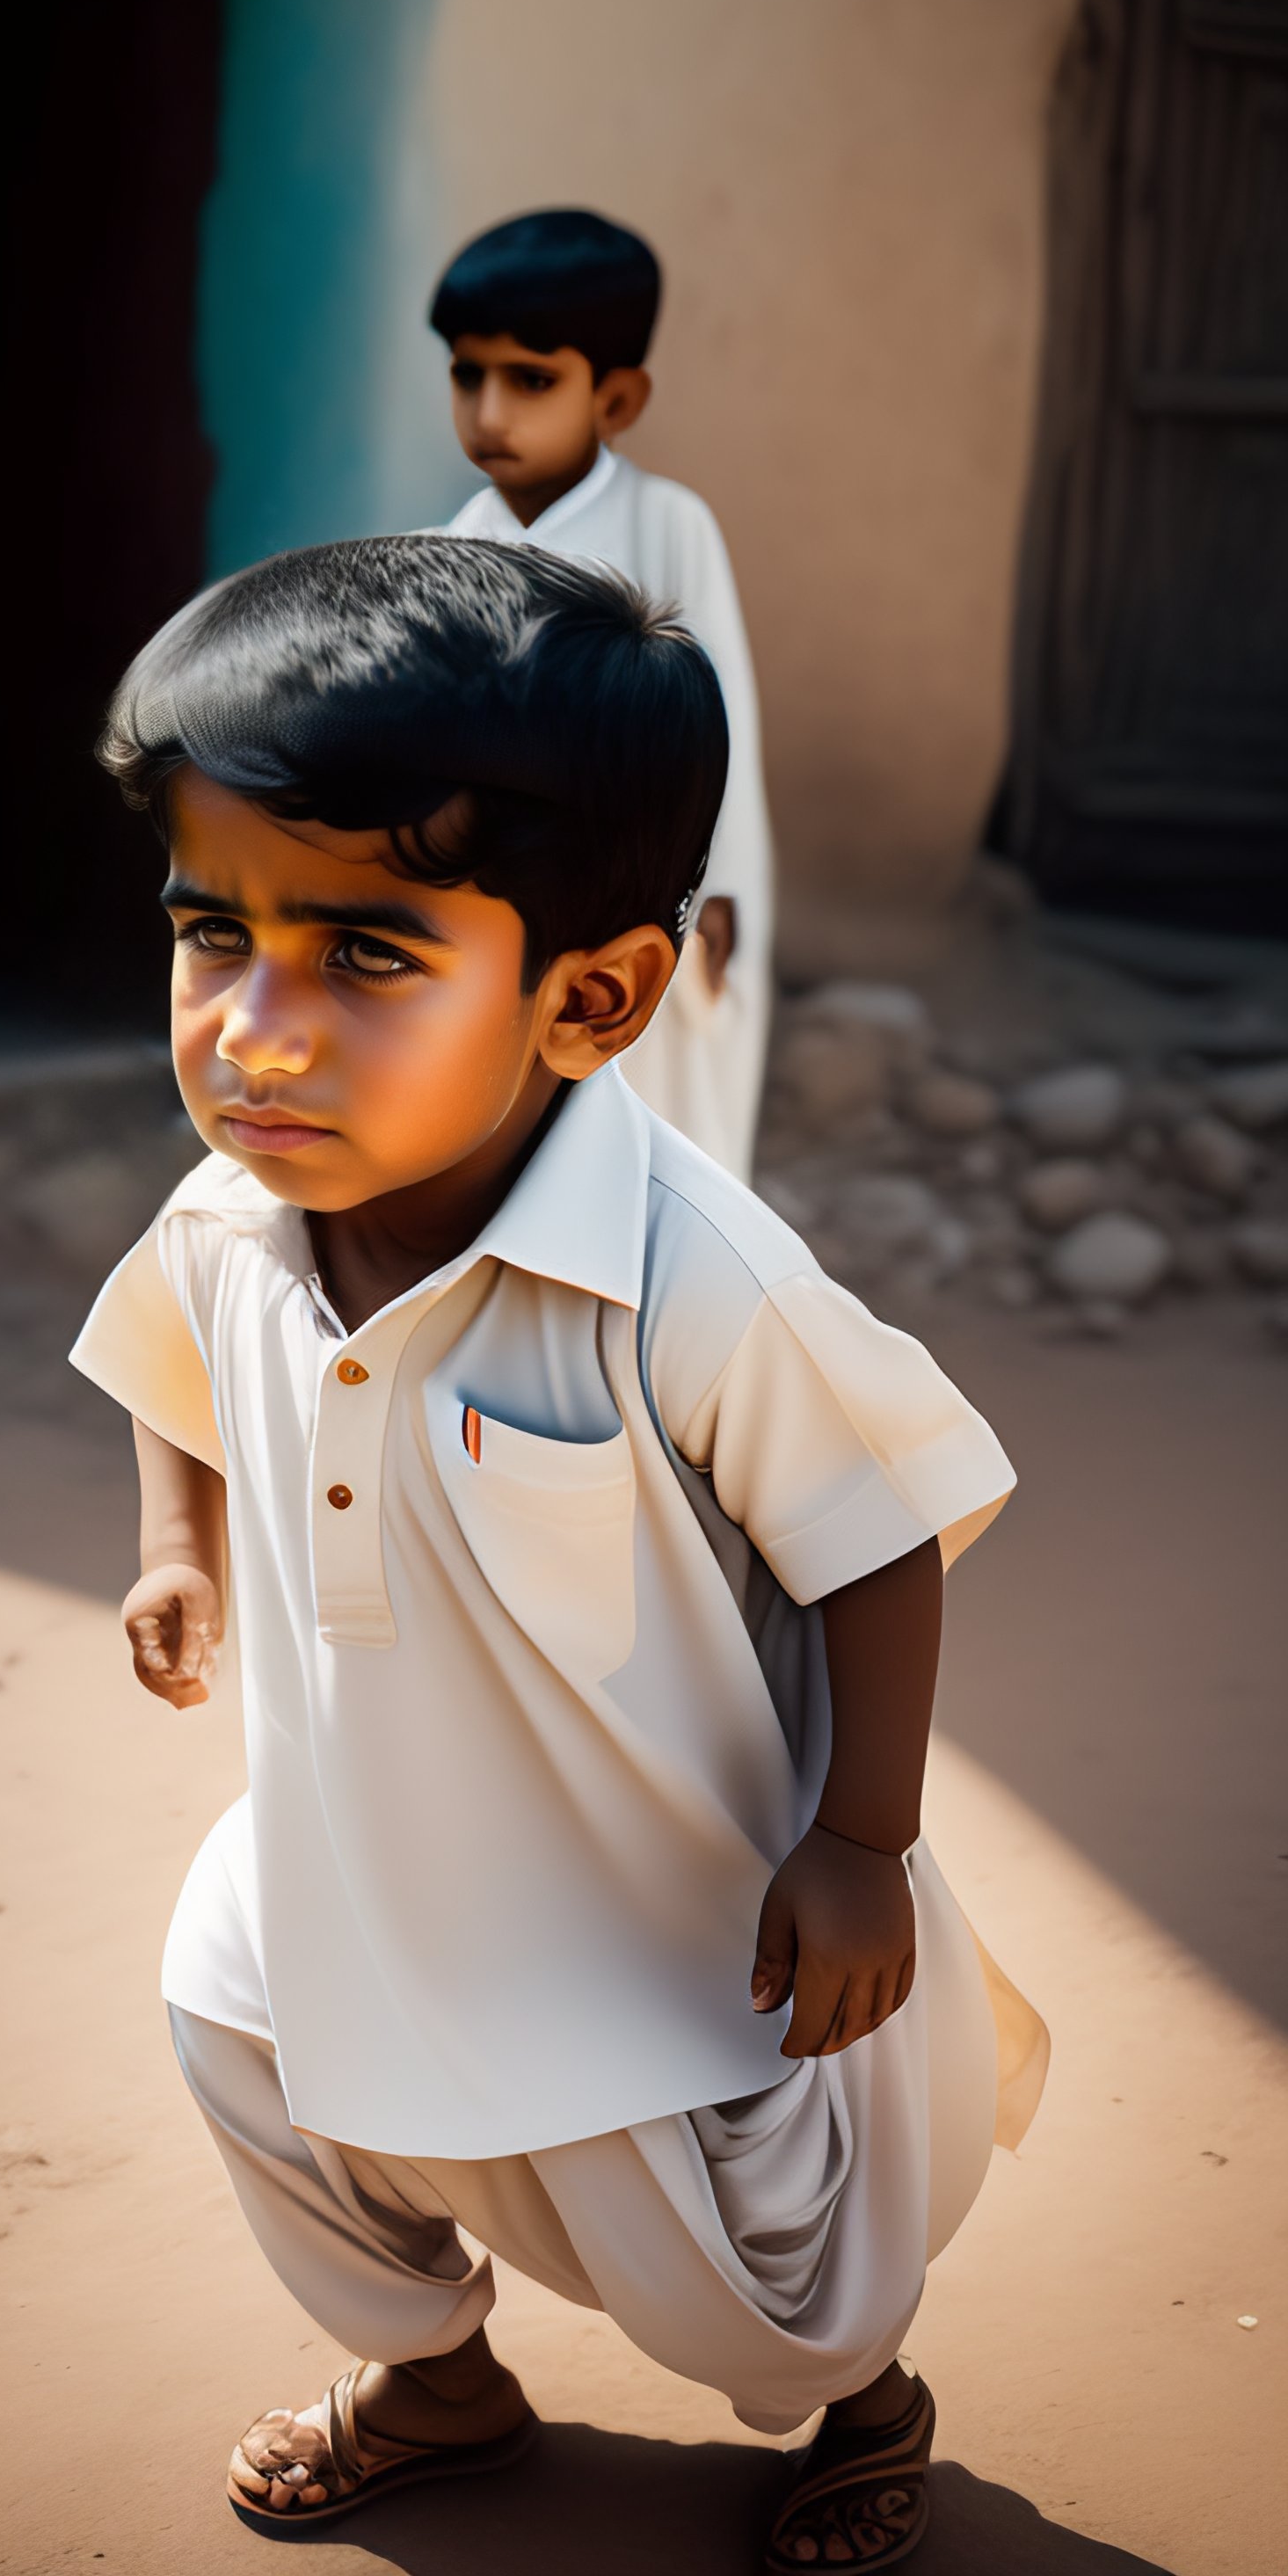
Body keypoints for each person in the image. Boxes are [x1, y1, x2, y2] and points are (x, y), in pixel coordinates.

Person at [71, 535, 1045, 2571]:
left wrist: (859, 1835)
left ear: (593, 992)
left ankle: (864, 2397)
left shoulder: (685, 1280)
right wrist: (180, 1547)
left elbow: (876, 1543)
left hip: (644, 1896)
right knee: (236, 2023)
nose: (249, 1033)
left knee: (761, 2271)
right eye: (206, 933)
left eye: (359, 954)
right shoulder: (231, 1205)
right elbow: (172, 1358)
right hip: (352, 1848)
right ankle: (437, 2378)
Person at [436, 207, 772, 1179]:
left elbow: (721, 721)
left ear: (616, 397)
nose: (490, 412)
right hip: (509, 883)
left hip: (641, 872)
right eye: (468, 375)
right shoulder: (455, 548)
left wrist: (718, 888)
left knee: (650, 1120)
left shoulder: (669, 526)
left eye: (530, 380)